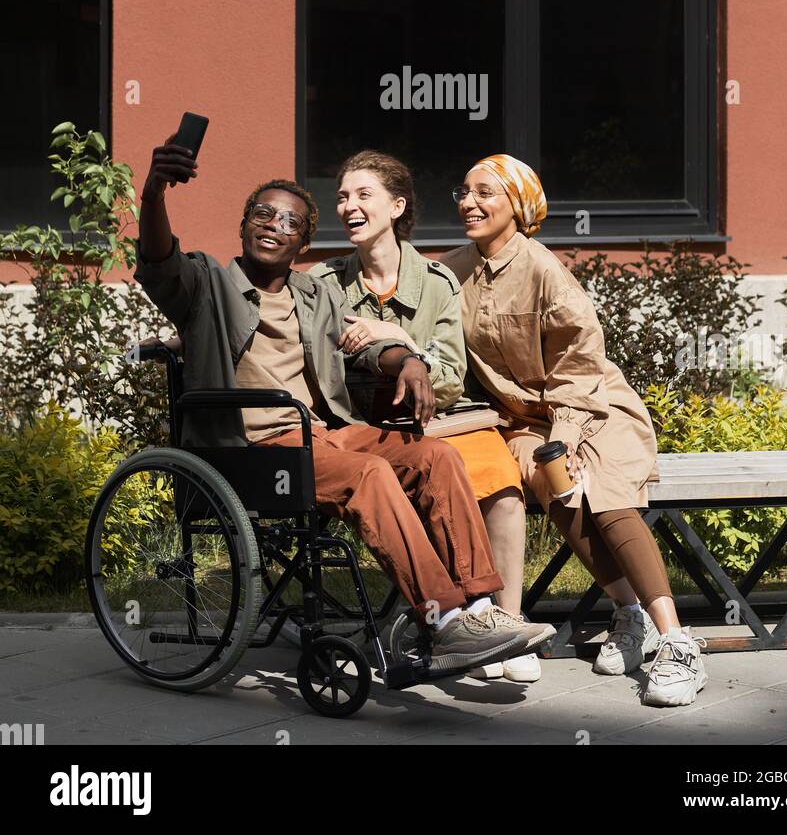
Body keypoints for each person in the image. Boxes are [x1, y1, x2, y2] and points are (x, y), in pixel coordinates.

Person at [132, 132, 547, 680]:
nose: (273, 226)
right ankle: (442, 620)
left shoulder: (316, 293)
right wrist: (156, 189)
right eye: (263, 214)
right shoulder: (204, 283)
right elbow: (158, 257)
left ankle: (477, 610)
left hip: (323, 434)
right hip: (253, 450)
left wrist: (408, 361)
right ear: (244, 224)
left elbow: (365, 342)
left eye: (290, 222)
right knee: (370, 473)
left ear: (304, 243)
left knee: (432, 457)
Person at [440, 154, 708, 707]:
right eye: (464, 192)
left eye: (485, 192)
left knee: (602, 494)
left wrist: (565, 434)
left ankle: (678, 641)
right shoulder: (451, 270)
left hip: (591, 406)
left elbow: (581, 359)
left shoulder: (542, 269)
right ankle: (629, 615)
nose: (469, 202)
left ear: (517, 205)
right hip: (519, 419)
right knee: (547, 483)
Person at [310, 150, 553, 683]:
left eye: (363, 195)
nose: (349, 207)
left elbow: (447, 378)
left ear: (397, 206)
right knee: (406, 471)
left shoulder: (437, 281)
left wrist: (398, 339)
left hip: (440, 419)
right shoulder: (324, 283)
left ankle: (502, 622)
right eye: (342, 198)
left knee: (501, 485)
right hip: (365, 430)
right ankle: (459, 620)